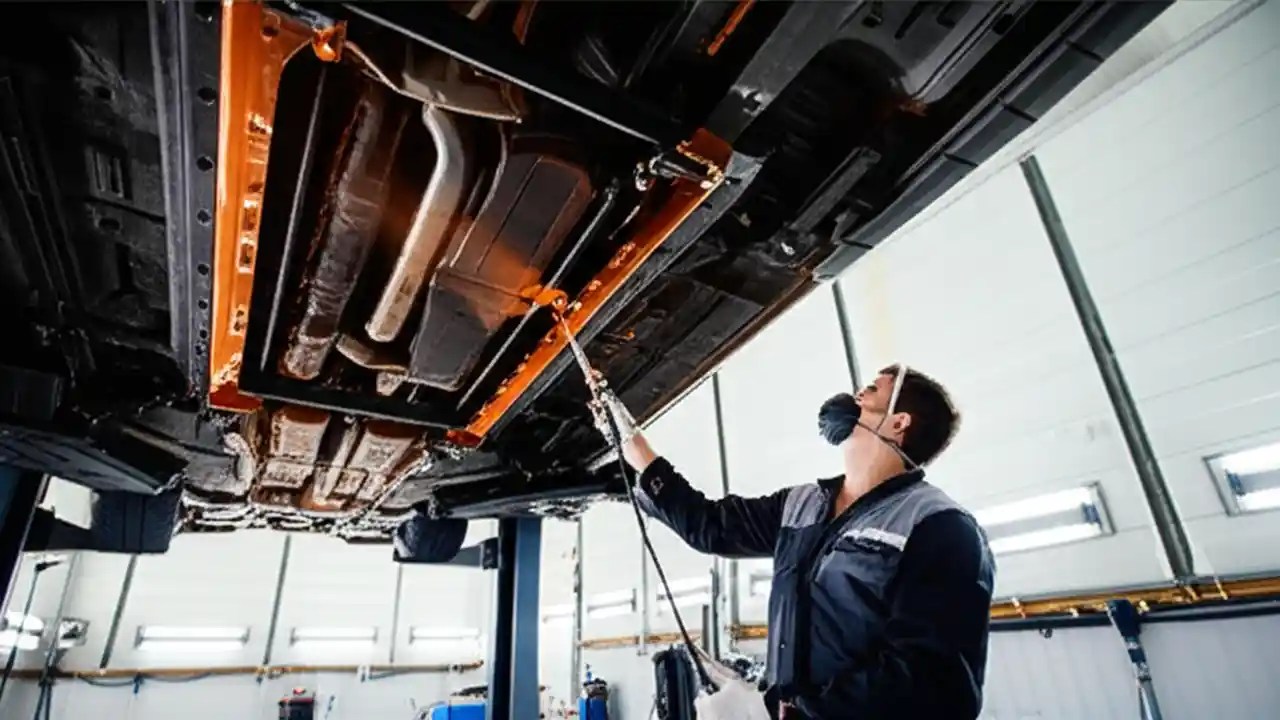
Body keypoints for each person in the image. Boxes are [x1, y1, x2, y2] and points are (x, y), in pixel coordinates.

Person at [602, 364, 995, 719]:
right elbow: (711, 526)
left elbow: (933, 686)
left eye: (871, 391)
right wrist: (640, 455)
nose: (854, 397)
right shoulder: (802, 504)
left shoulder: (941, 527)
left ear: (898, 422)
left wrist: (785, 714)